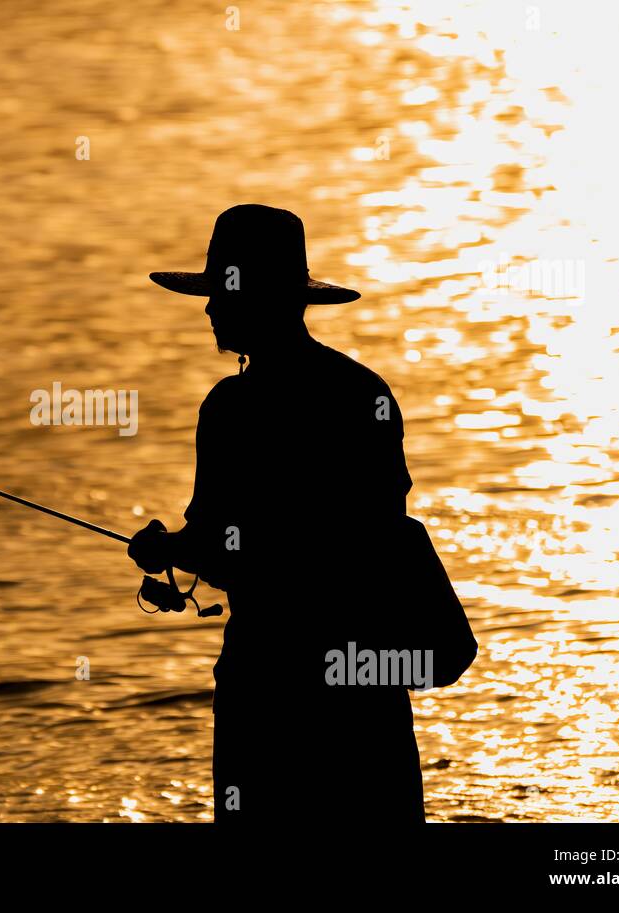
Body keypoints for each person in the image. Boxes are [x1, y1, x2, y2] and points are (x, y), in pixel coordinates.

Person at [128, 204, 428, 824]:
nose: (210, 309)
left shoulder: (232, 410)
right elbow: (375, 533)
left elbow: (227, 546)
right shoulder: (363, 392)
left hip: (268, 683)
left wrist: (170, 550)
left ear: (251, 298)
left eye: (220, 294)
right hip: (363, 680)